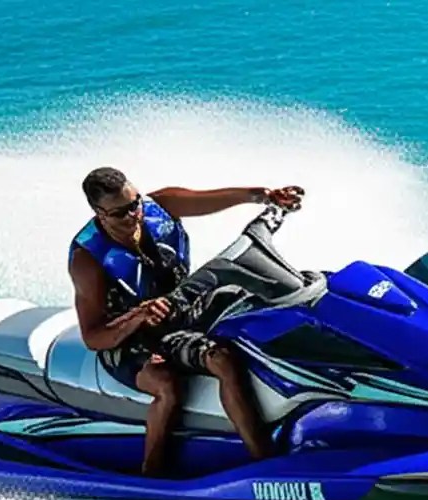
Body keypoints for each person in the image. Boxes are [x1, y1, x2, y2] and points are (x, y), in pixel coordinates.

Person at [68, 166, 304, 476]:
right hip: (130, 339)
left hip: (181, 308)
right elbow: (93, 337)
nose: (133, 215)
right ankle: (159, 472)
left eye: (135, 203)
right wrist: (137, 316)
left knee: (258, 298)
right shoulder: (88, 261)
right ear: (99, 213)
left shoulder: (158, 207)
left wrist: (264, 196)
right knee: (190, 374)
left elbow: (210, 199)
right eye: (120, 213)